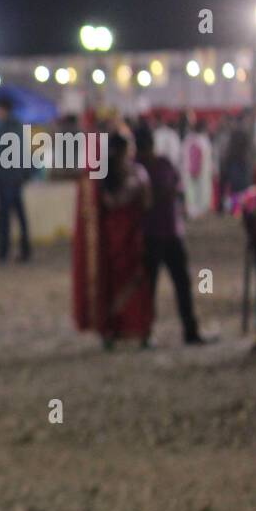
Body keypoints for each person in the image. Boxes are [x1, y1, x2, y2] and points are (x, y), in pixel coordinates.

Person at [72, 131, 153, 349]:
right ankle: (138, 331)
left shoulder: (103, 176)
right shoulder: (134, 173)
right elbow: (142, 201)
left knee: (113, 284)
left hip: (114, 239)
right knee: (135, 283)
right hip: (128, 238)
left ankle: (111, 331)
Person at [135, 126, 212, 346]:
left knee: (177, 284)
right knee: (157, 286)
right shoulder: (155, 165)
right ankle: (153, 332)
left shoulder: (145, 167)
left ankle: (184, 330)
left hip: (162, 233)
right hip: (160, 234)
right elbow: (173, 190)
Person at [0, 97, 31, 263]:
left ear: (3, 109)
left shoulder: (6, 127)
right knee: (19, 215)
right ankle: (25, 249)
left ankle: (4, 251)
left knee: (6, 216)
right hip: (15, 176)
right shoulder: (18, 126)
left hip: (6, 176)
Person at [180, 117, 214, 219]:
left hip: (189, 171)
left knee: (191, 192)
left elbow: (182, 156)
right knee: (201, 191)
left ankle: (192, 210)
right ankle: (200, 210)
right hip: (202, 172)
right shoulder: (205, 141)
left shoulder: (187, 140)